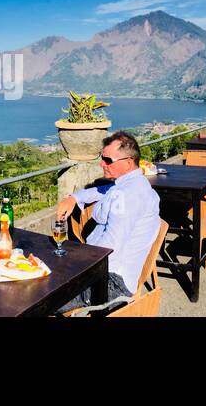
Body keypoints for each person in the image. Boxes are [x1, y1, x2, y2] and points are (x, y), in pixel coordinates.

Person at [56, 131, 161, 313]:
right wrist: (74, 198)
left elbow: (110, 245)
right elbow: (102, 190)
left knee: (39, 296)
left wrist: (75, 258)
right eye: (102, 158)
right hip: (104, 271)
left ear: (128, 163)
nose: (101, 163)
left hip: (111, 281)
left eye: (107, 160)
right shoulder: (130, 183)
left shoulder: (128, 195)